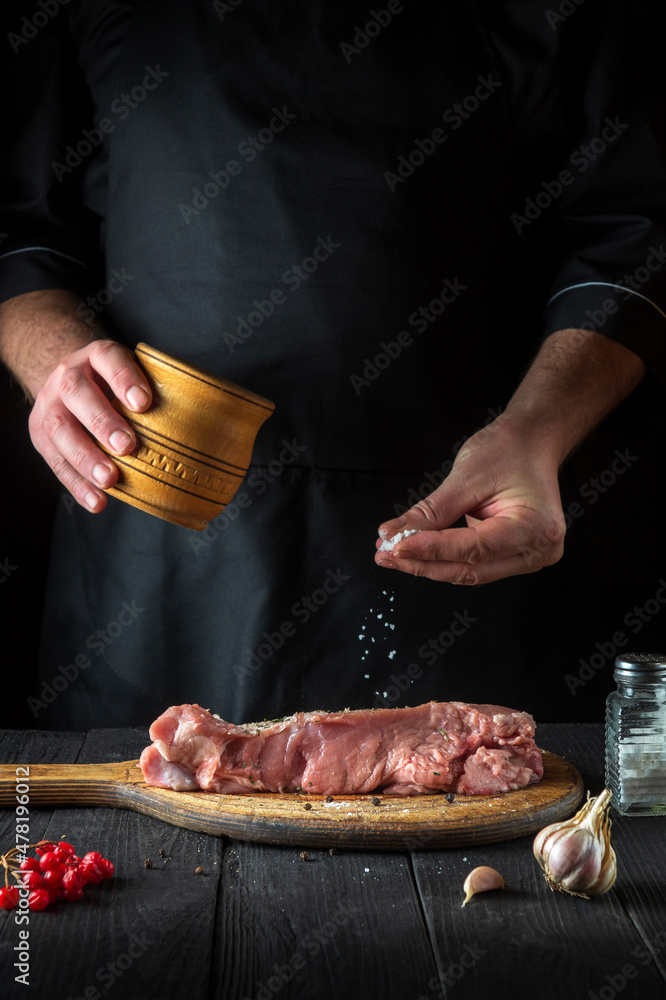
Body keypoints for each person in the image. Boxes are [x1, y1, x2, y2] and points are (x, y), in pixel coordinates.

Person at [1, 0, 665, 730]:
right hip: (154, 557)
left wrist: (536, 432)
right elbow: (19, 230)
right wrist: (55, 360)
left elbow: (632, 237)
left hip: (469, 536)